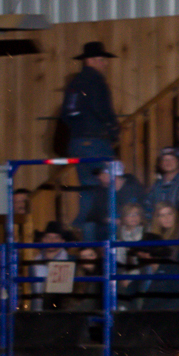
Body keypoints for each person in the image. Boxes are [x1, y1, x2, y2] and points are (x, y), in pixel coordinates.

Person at [61, 41, 119, 241]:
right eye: (102, 60)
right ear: (92, 60)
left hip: (78, 143)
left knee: (88, 189)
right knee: (107, 189)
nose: (105, 64)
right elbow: (101, 109)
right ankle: (104, 241)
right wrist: (112, 128)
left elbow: (66, 116)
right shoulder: (96, 81)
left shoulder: (73, 85)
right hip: (96, 142)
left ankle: (86, 239)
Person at [27, 221, 73, 312]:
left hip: (62, 312)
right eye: (48, 237)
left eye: (56, 238)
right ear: (43, 240)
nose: (52, 241)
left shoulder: (70, 261)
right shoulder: (34, 263)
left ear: (62, 241)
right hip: (38, 310)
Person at [144, 148, 179, 219]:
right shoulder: (156, 185)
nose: (168, 162)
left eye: (172, 159)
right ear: (160, 164)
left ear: (178, 162)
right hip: (158, 225)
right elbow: (148, 206)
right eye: (164, 160)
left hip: (178, 224)